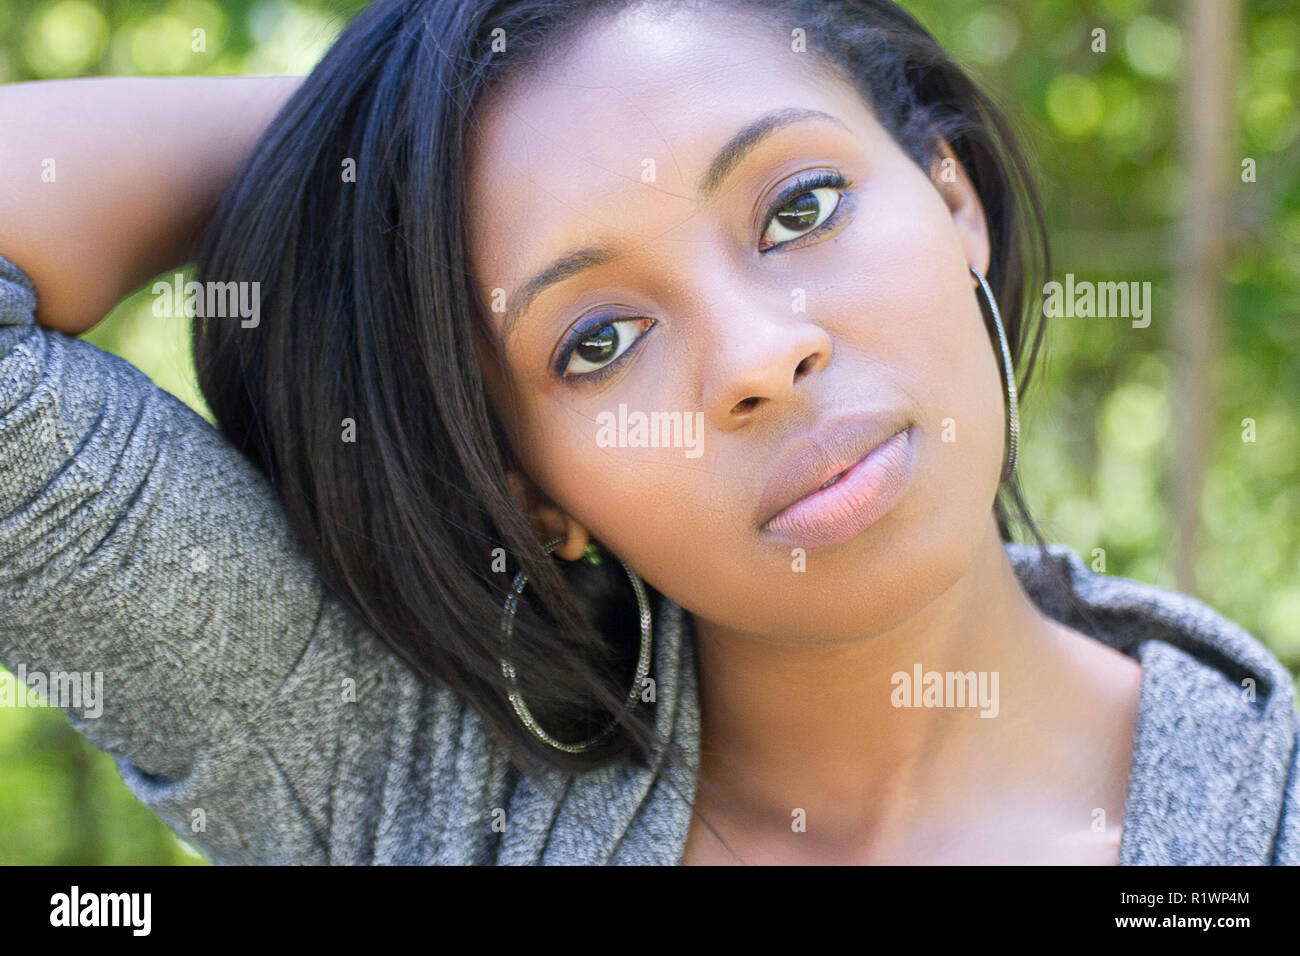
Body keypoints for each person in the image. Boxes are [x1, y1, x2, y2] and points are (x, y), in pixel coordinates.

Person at [0, 0, 1295, 865]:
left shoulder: (1264, 816)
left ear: (951, 199)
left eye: (798, 208)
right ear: (526, 488)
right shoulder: (390, 770)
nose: (759, 360)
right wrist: (384, 132)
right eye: (597, 342)